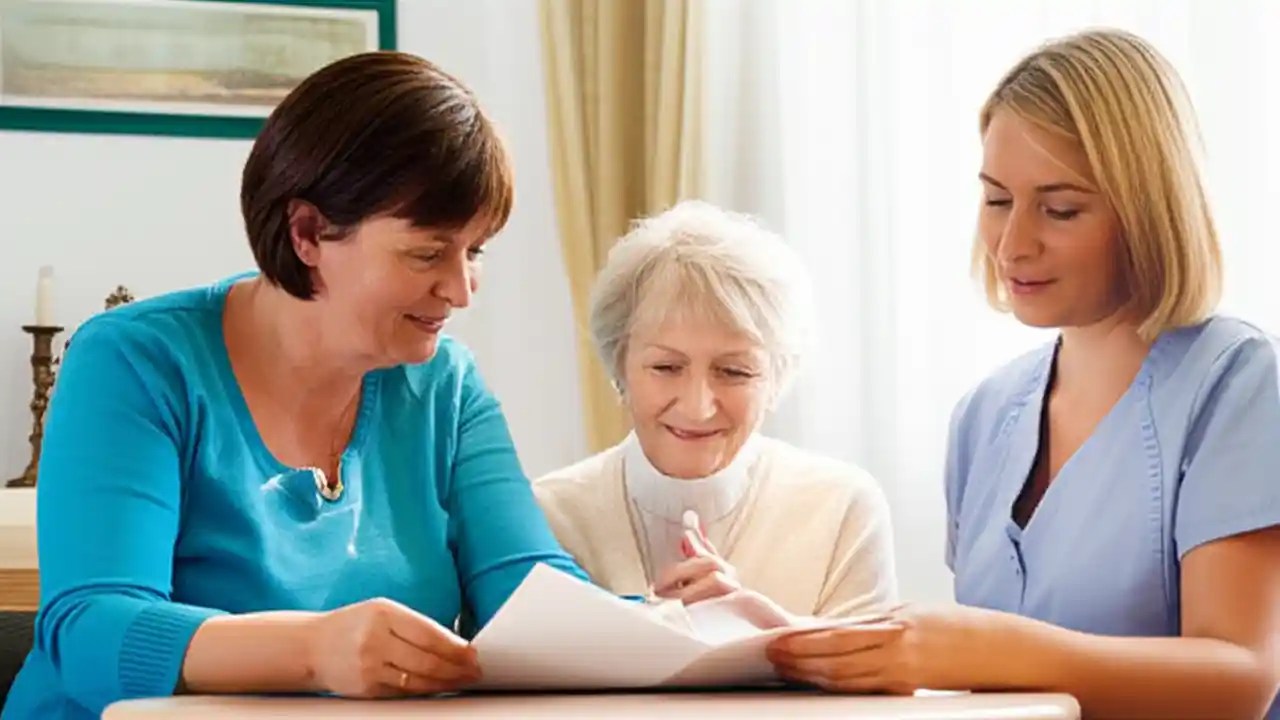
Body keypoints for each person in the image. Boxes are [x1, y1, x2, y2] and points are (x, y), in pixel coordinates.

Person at [1, 52, 593, 720]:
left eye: (474, 251)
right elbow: (91, 630)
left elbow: (531, 590)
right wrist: (314, 651)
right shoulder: (136, 362)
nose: (461, 291)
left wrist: (676, 627)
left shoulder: (447, 387)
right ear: (308, 233)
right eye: (427, 253)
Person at [765, 28, 1280, 719]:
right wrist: (783, 642)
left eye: (1060, 209)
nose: (1012, 245)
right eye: (997, 201)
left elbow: (1241, 679)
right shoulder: (984, 416)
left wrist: (988, 650)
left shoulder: (1237, 384)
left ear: (1148, 210)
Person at [534, 200, 899, 619]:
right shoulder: (548, 515)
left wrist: (750, 624)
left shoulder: (841, 509)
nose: (698, 407)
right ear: (620, 366)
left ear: (777, 378)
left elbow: (868, 659)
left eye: (733, 372)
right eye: (666, 367)